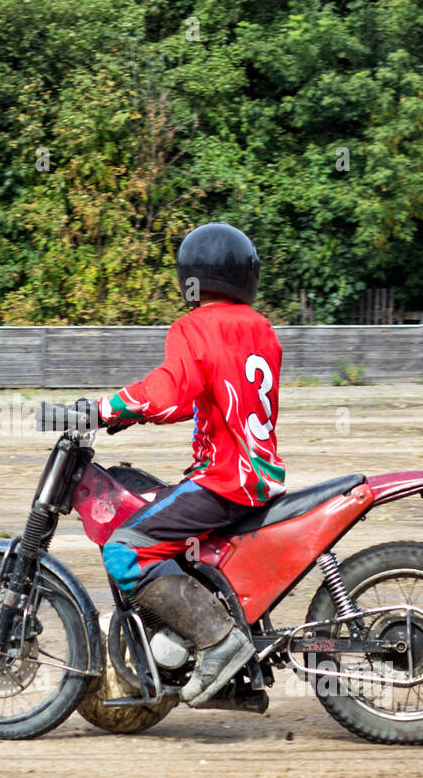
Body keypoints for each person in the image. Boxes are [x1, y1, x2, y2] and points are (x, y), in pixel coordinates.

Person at [74, 222, 286, 706]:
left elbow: (168, 389)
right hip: (258, 475)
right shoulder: (261, 329)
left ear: (191, 277)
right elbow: (198, 397)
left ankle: (218, 641)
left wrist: (106, 407)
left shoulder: (194, 327)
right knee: (157, 517)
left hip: (224, 481)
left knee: (126, 549)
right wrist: (132, 417)